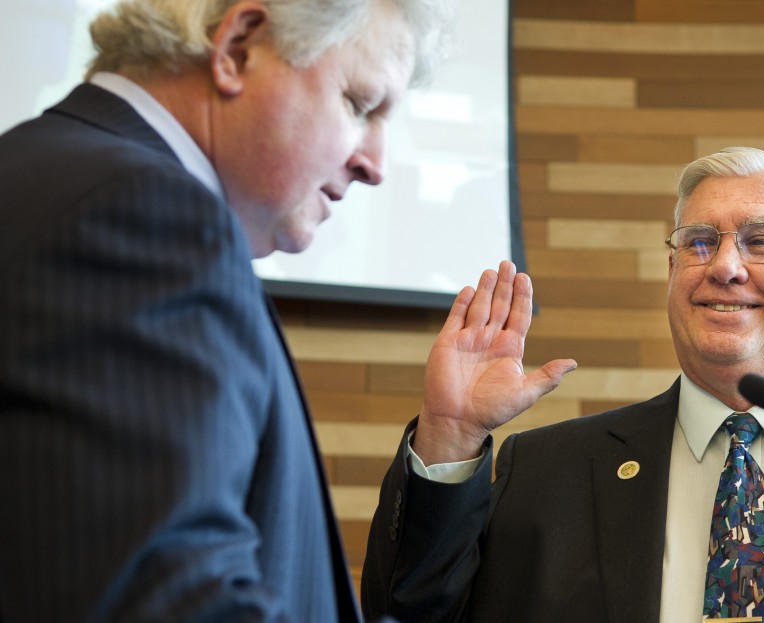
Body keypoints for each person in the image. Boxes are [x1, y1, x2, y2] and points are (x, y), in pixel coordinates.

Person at [0, 0, 500, 621]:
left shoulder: (47, 168)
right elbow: (172, 603)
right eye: (358, 104)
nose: (376, 165)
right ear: (238, 46)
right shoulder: (143, 212)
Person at [361, 147, 764, 623]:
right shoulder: (546, 471)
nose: (724, 266)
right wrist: (450, 435)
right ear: (672, 271)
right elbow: (409, 615)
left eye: (762, 241)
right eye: (698, 242)